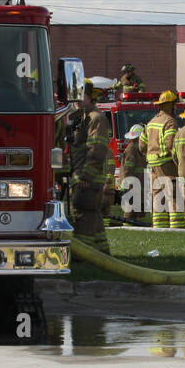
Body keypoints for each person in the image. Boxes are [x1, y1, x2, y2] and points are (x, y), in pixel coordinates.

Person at [69, 83, 113, 253]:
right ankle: (102, 252)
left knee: (83, 214)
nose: (77, 100)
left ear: (90, 96)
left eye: (81, 95)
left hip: (87, 178)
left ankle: (83, 254)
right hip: (80, 175)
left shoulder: (95, 118)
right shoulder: (81, 117)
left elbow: (96, 149)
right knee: (92, 215)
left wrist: (86, 176)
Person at [139, 90, 180, 229]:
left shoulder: (151, 122)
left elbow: (141, 145)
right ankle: (176, 226)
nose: (175, 107)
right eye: (174, 104)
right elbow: (171, 145)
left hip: (152, 164)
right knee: (173, 195)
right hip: (166, 163)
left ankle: (159, 226)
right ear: (169, 105)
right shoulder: (170, 122)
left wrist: (149, 156)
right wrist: (178, 161)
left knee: (157, 196)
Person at [120, 124, 146, 221]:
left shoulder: (139, 149)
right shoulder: (131, 149)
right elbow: (128, 169)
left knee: (137, 211)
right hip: (132, 185)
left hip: (138, 185)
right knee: (129, 210)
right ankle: (127, 226)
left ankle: (135, 226)